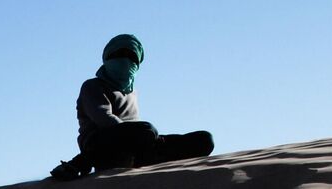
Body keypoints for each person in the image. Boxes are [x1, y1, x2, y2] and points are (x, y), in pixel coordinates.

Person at [50, 34, 214, 181]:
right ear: (107, 58)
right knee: (146, 130)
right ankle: (79, 163)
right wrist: (143, 136)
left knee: (204, 139)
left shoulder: (133, 93)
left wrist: (150, 141)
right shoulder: (92, 86)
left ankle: (149, 159)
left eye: (131, 57)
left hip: (138, 147)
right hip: (101, 146)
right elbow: (104, 120)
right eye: (119, 55)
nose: (125, 60)